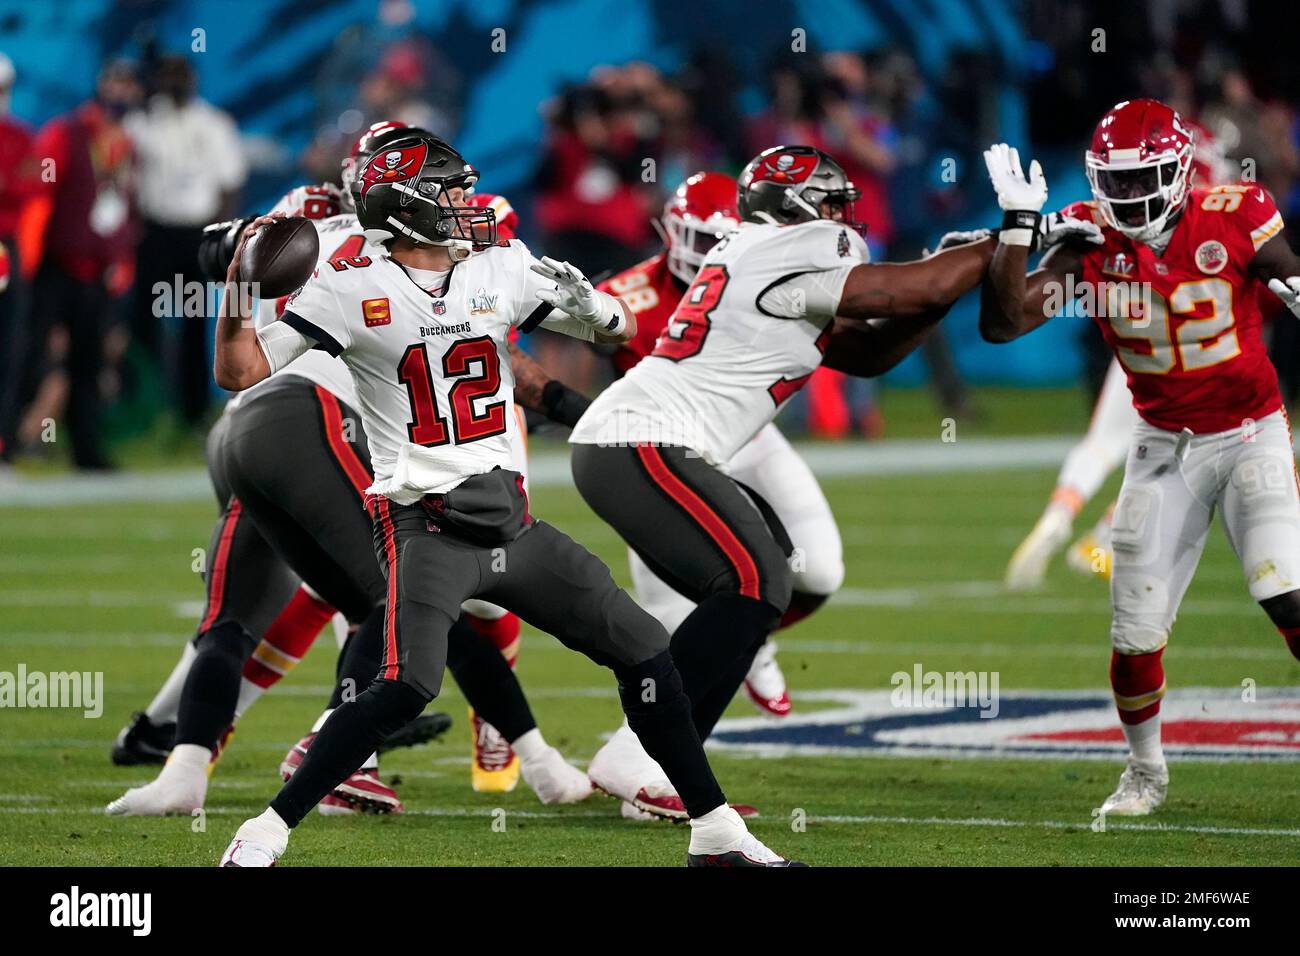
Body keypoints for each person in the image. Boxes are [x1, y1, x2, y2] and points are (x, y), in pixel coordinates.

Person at [213, 132, 798, 866]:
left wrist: (595, 309)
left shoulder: (499, 267)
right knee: (404, 686)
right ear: (409, 207)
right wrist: (237, 291)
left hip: (511, 526)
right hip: (424, 528)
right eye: (450, 191)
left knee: (645, 648)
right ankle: (264, 833)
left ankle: (715, 833)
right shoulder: (349, 285)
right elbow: (242, 371)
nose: (468, 203)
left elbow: (616, 327)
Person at [107, 123, 593, 818]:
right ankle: (466, 753)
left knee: (235, 618)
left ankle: (179, 767)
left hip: (240, 425)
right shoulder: (384, 253)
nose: (460, 207)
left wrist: (247, 252)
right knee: (408, 598)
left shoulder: (302, 221)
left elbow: (219, 252)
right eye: (441, 187)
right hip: (309, 416)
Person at [568, 145, 996, 815]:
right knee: (754, 583)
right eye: (829, 204)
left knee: (763, 587)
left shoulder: (757, 258)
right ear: (798, 209)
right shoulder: (781, 250)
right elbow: (922, 285)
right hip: (641, 440)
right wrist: (1006, 238)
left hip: (654, 443)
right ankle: (633, 753)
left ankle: (657, 772)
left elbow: (873, 350)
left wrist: (950, 282)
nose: (839, 218)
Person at [978, 98, 1300, 816]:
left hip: (1251, 430)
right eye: (1114, 182)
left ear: (1182, 170)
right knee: (1133, 634)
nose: (1127, 196)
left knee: (1286, 590)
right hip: (1161, 446)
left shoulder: (1235, 210)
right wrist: (1016, 229)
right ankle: (1146, 773)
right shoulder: (1086, 239)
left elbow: (1283, 267)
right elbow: (1004, 323)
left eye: (1143, 179)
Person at [11, 59, 140, 470]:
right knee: (28, 354)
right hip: (55, 266)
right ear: (102, 87)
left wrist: (122, 261)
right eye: (116, 83)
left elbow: (124, 213)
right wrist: (27, 262)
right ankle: (9, 442)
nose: (122, 93)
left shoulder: (126, 145)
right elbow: (36, 195)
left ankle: (87, 451)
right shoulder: (66, 134)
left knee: (90, 362)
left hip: (97, 271)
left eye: (129, 86)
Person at [126, 54, 246, 429]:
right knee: (144, 321)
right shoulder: (141, 123)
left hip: (197, 231)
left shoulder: (213, 124)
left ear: (194, 80)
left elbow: (229, 184)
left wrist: (223, 237)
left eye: (182, 75)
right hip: (154, 231)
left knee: (194, 321)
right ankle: (144, 408)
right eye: (169, 75)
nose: (175, 83)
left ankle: (192, 414)